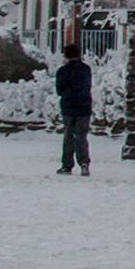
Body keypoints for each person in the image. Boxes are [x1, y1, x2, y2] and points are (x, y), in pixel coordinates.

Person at [55, 41, 93, 176]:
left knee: (68, 136)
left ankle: (67, 165)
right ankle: (84, 163)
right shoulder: (86, 69)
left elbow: (59, 90)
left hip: (68, 106)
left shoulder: (62, 71)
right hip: (84, 106)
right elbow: (88, 86)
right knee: (81, 136)